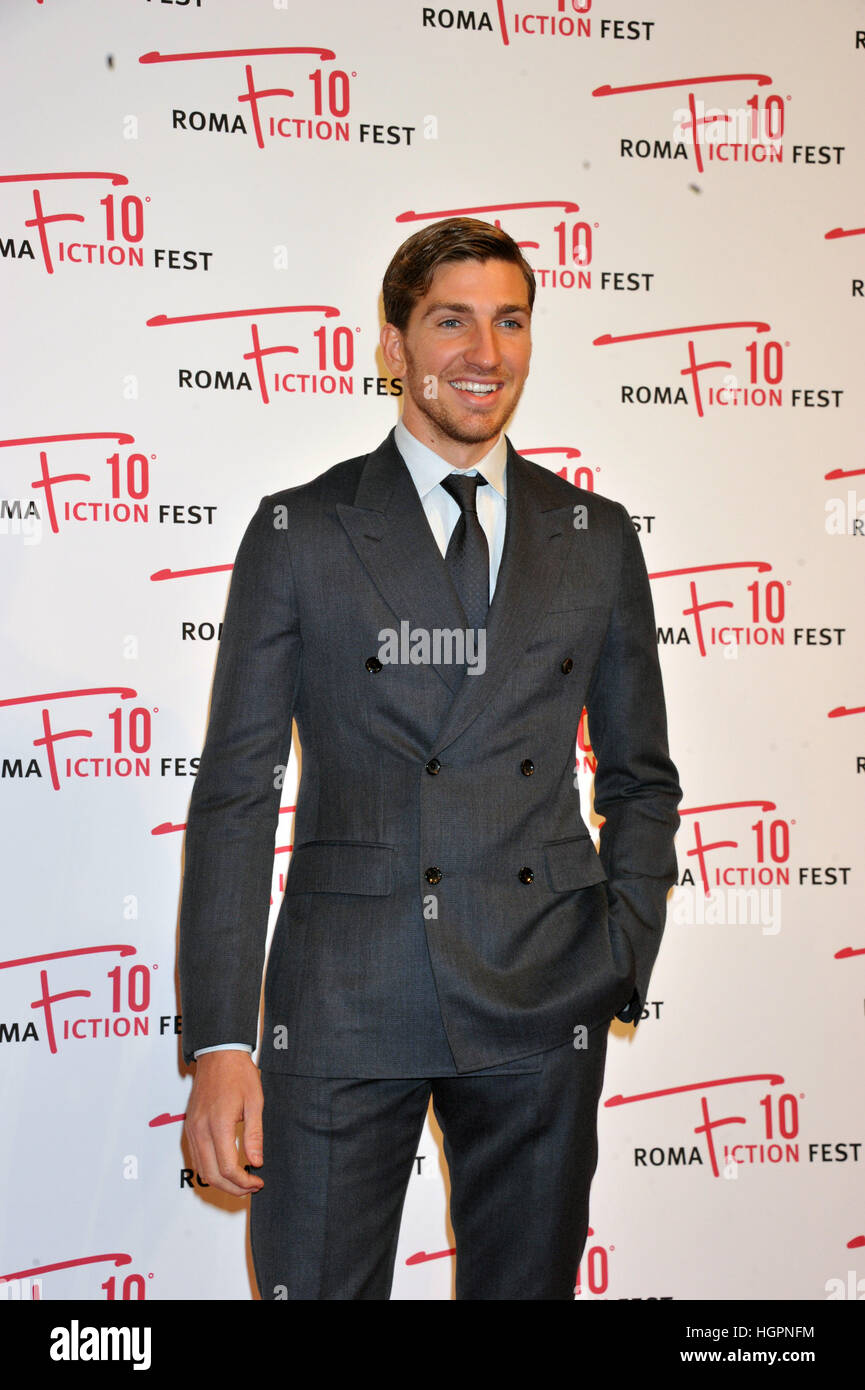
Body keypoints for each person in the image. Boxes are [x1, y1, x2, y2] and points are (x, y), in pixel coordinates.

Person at [179, 217, 681, 1300]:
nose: (484, 353)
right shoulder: (301, 531)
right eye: (450, 320)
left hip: (542, 991)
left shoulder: (595, 535)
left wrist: (617, 958)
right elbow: (234, 797)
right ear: (393, 345)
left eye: (509, 321)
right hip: (342, 990)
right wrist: (221, 1040)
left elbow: (642, 775)